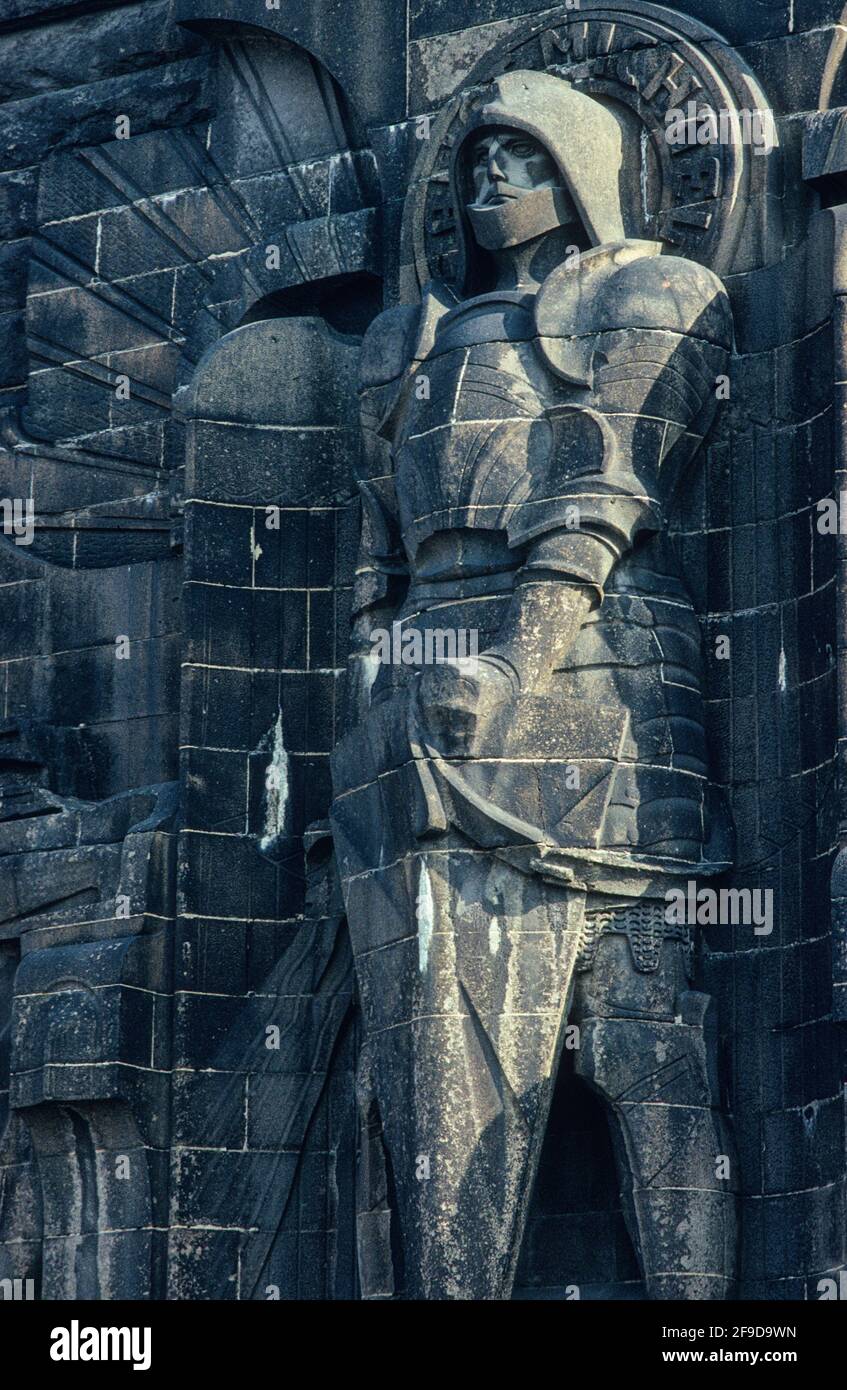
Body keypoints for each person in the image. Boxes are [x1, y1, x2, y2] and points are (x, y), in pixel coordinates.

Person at [331, 70, 738, 1300]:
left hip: (603, 691)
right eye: (469, 162)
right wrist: (374, 680)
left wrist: (520, 656)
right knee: (430, 1078)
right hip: (420, 712)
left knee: (645, 1050)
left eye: (514, 159)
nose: (481, 183)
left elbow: (602, 487)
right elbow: (373, 548)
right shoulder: (401, 344)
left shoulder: (650, 291)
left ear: (579, 171)